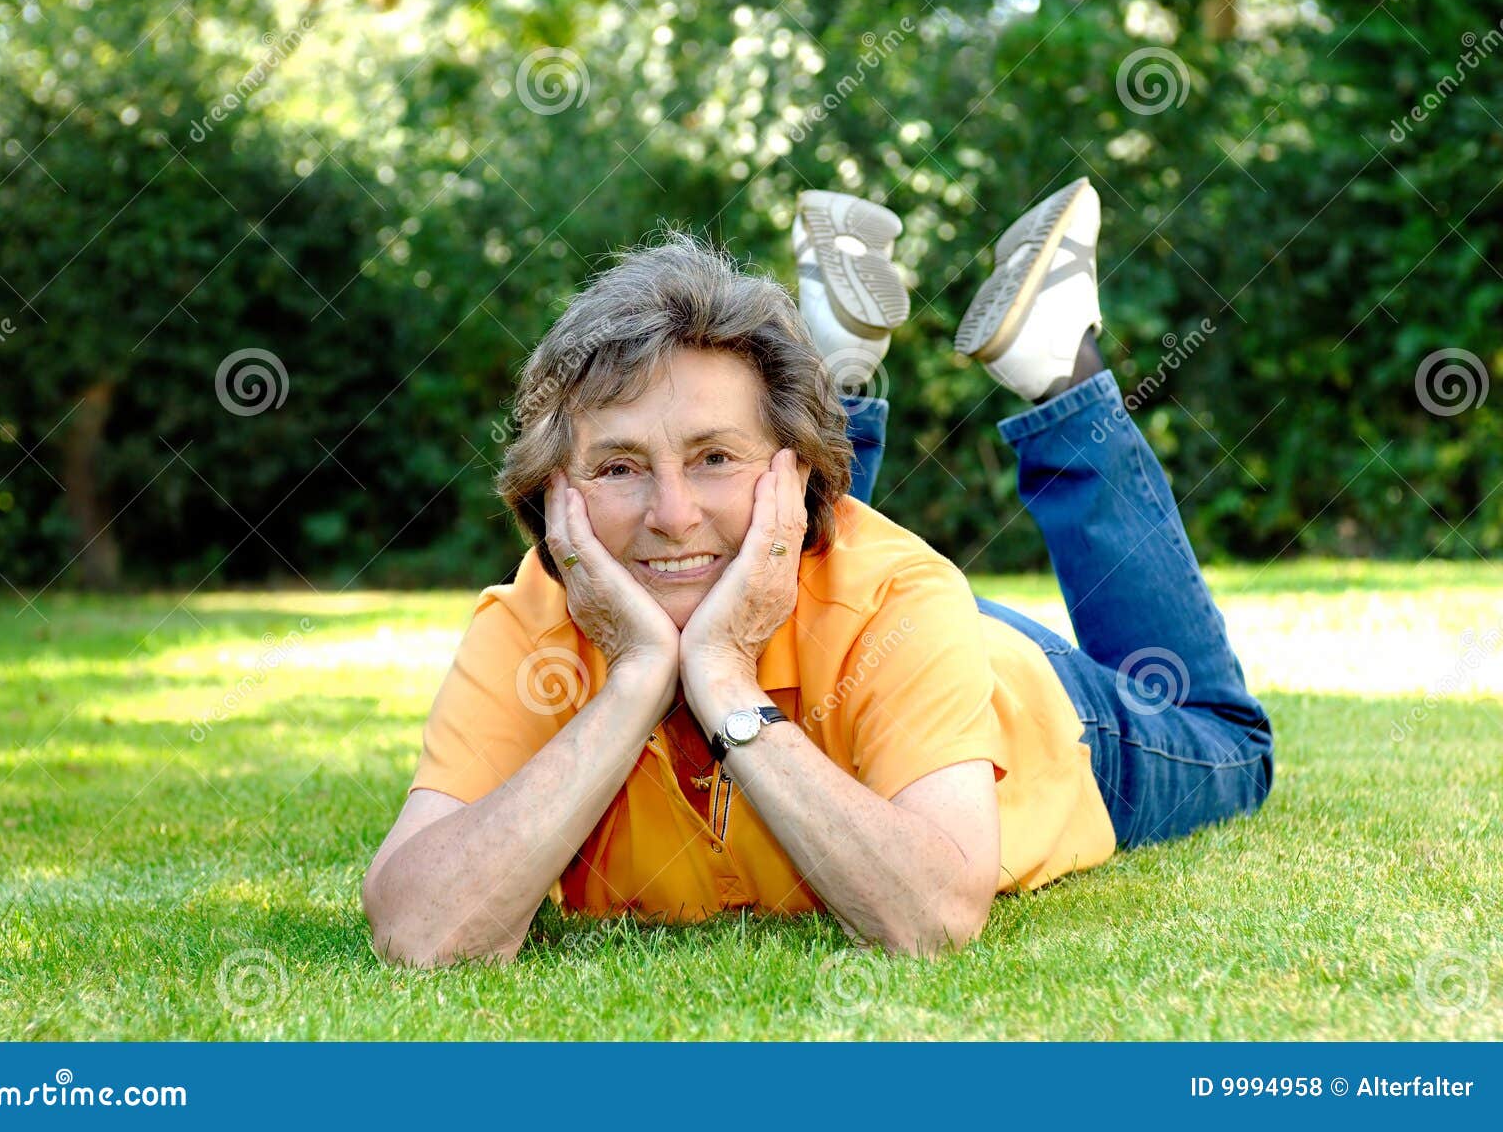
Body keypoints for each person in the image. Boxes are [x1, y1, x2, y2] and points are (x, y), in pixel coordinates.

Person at [362, 179, 1275, 969]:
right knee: (743, 548)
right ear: (554, 489)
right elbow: (420, 929)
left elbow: (930, 917)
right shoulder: (527, 626)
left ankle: (1059, 368)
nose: (670, 513)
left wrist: (722, 678)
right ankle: (833, 368)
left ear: (793, 475)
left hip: (1027, 699)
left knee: (1231, 740)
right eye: (619, 466)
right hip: (847, 624)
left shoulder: (900, 597)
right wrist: (638, 677)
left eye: (715, 456)